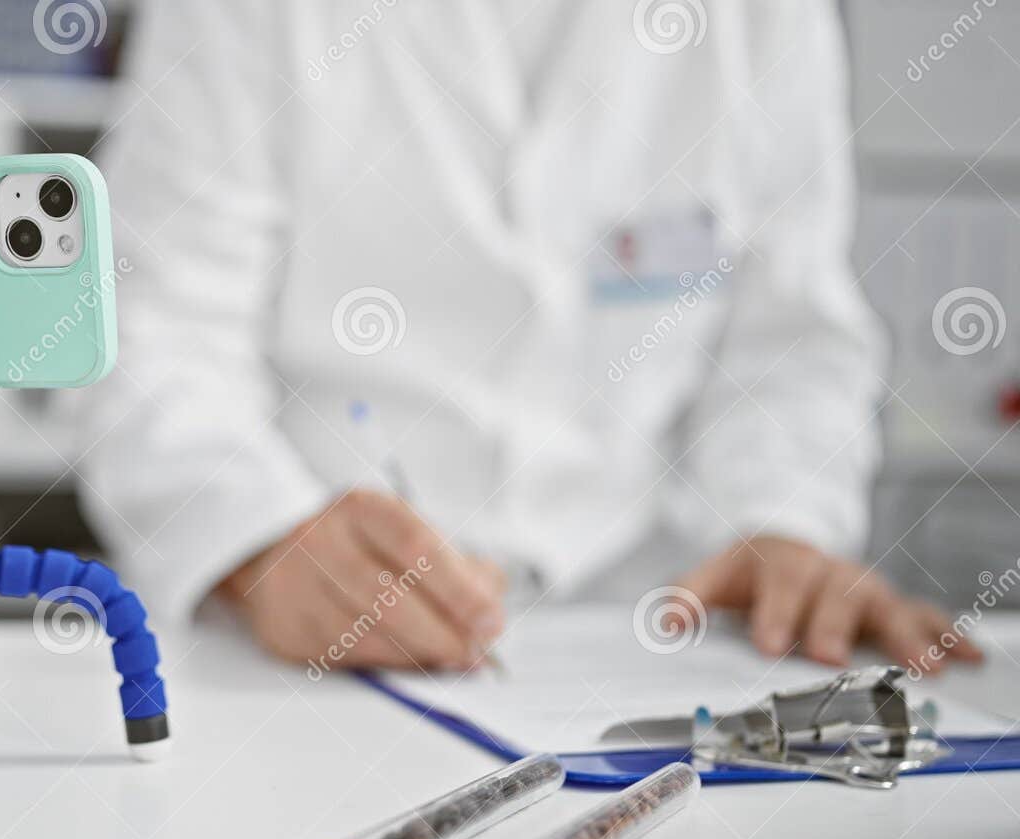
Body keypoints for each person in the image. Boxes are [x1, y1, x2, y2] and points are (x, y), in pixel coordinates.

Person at [76, 0, 981, 675]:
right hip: (316, 645)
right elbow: (156, 326)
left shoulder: (764, 17)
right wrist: (259, 541)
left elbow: (789, 342)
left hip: (648, 636)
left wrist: (782, 524)